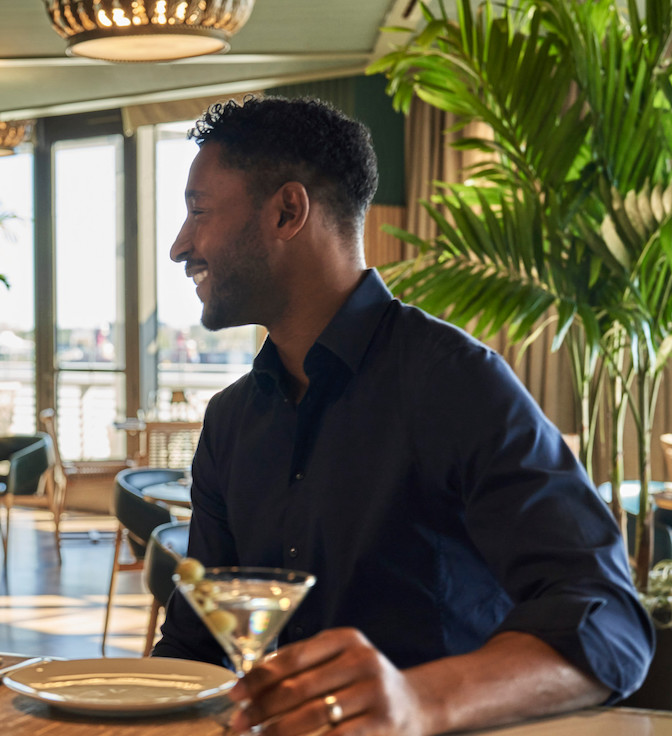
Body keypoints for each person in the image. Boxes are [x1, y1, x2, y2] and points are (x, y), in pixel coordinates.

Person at [152, 96, 652, 734]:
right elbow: (196, 649)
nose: (179, 245)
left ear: (287, 211)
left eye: (198, 210)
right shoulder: (230, 422)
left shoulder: (454, 381)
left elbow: (611, 623)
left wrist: (421, 700)